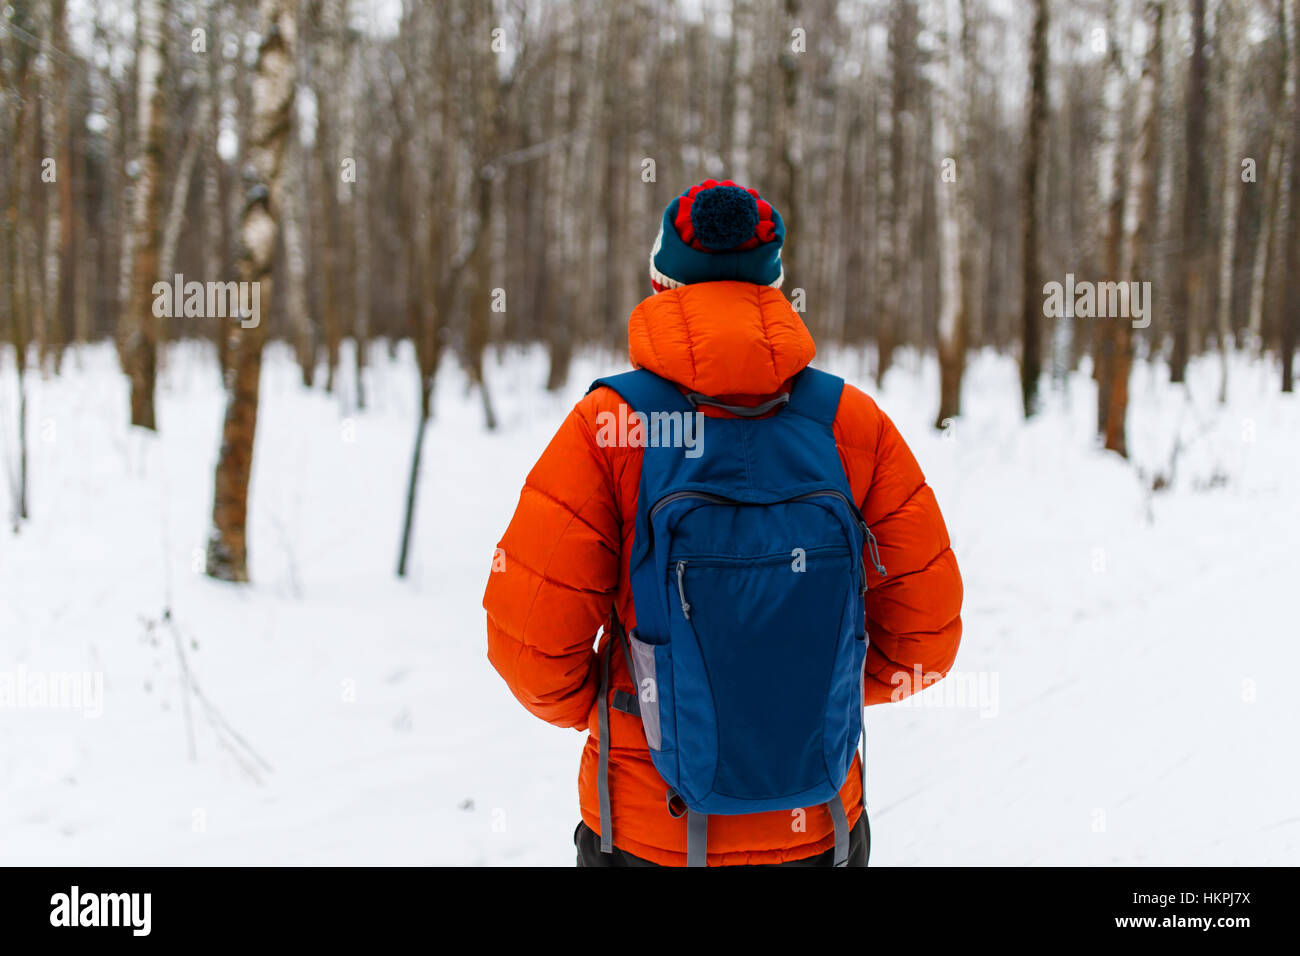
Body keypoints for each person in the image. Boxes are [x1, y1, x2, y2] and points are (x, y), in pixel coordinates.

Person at [483, 179, 963, 867]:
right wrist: (803, 689)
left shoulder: (610, 428)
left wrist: (633, 703)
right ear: (775, 290)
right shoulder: (851, 426)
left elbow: (530, 651)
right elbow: (927, 641)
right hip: (818, 824)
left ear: (659, 286)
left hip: (651, 834)